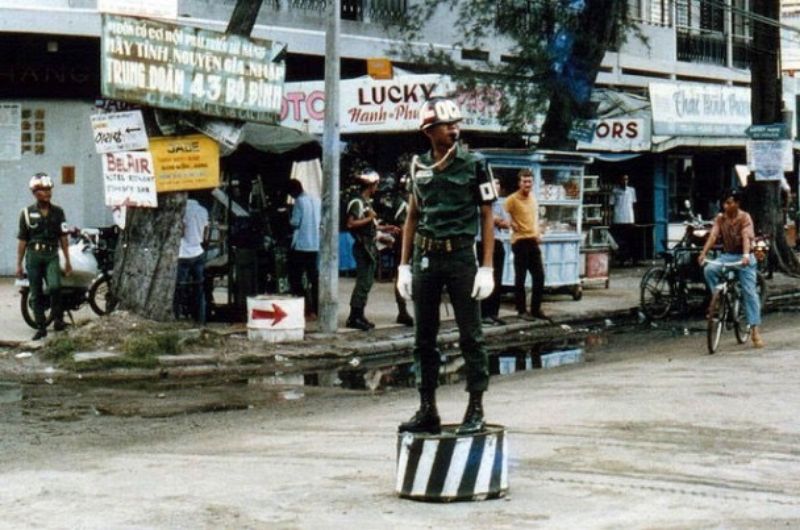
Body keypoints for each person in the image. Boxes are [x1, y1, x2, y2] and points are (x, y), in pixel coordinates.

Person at [396, 96, 497, 436]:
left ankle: (476, 407)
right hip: (426, 257)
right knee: (424, 338)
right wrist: (403, 266)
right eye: (447, 125)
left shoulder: (475, 163)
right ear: (429, 130)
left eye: (457, 124)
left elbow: (487, 216)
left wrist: (486, 267)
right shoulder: (418, 166)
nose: (454, 129)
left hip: (460, 258)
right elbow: (412, 215)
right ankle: (427, 409)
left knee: (471, 335)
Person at [697, 189, 764, 348]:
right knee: (709, 269)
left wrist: (747, 255)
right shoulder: (720, 219)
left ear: (737, 203)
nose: (725, 206)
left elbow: (747, 236)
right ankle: (717, 298)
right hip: (728, 255)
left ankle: (754, 329)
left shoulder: (745, 217)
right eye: (724, 203)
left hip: (744, 257)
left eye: (729, 202)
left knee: (749, 291)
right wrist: (703, 253)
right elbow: (713, 236)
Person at [17, 172, 72, 340]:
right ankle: (41, 327)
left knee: (55, 287)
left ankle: (58, 320)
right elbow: (22, 240)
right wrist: (18, 264)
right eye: (42, 189)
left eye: (49, 189)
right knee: (36, 292)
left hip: (51, 255)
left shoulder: (58, 212)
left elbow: (63, 237)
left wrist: (68, 260)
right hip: (33, 256)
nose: (47, 193)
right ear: (34, 193)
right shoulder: (26, 213)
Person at [346, 169, 394, 330]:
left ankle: (360, 314)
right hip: (362, 246)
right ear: (371, 185)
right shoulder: (357, 202)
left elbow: (372, 225)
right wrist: (369, 218)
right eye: (376, 184)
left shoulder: (366, 202)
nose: (377, 187)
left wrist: (387, 228)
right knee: (362, 282)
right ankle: (354, 316)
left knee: (367, 282)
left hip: (369, 245)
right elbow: (351, 224)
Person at [504, 168, 547, 320]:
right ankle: (521, 310)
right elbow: (502, 213)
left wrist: (538, 233)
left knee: (539, 276)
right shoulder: (512, 199)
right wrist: (510, 223)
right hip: (520, 241)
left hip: (532, 240)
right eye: (524, 181)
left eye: (529, 181)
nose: (527, 184)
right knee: (520, 277)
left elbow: (534, 218)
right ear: (519, 183)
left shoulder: (533, 198)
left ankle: (536, 309)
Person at [287, 179, 321, 320]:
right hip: (315, 244)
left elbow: (295, 222)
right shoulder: (316, 200)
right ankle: (316, 309)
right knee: (314, 278)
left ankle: (302, 307)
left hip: (301, 244)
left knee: (296, 278)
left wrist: (288, 217)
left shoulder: (299, 202)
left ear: (294, 191)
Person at [478, 178, 510, 325]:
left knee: (496, 278)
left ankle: (493, 313)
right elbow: (485, 218)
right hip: (481, 242)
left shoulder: (500, 204)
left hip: (497, 241)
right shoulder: (480, 203)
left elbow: (506, 223)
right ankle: (482, 313)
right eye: (493, 184)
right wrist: (493, 219)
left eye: (498, 184)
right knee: (482, 277)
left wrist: (497, 220)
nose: (495, 187)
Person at [175, 196, 209, 324]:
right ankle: (201, 319)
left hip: (183, 252)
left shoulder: (183, 210)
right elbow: (205, 233)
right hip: (198, 251)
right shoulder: (203, 210)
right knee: (199, 288)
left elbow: (182, 232)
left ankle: (177, 317)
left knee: (179, 287)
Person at [610, 174, 637, 265]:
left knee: (630, 239)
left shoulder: (631, 190)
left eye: (626, 179)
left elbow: (633, 204)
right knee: (620, 241)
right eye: (623, 179)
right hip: (618, 219)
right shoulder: (615, 191)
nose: (625, 181)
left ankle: (631, 258)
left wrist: (634, 219)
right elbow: (611, 204)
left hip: (629, 218)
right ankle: (621, 259)